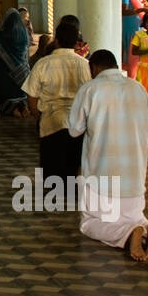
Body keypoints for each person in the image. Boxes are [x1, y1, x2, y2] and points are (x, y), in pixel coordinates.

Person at [66, 50, 148, 261]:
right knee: (133, 216)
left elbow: (74, 130)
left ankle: (128, 235)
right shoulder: (138, 88)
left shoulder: (90, 89)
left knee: (89, 222)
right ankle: (146, 227)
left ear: (94, 68)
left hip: (102, 178)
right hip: (135, 179)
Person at [23, 19, 91, 194]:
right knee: (74, 158)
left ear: (57, 40)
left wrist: (36, 115)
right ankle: (72, 190)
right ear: (76, 42)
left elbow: (31, 94)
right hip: (77, 121)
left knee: (52, 161)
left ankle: (53, 193)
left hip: (50, 120)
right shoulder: (84, 64)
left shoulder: (44, 63)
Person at [0, 8, 31, 116]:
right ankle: (23, 108)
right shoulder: (24, 35)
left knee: (5, 95)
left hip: (3, 75)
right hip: (21, 74)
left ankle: (12, 110)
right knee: (20, 94)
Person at [121, 0, 148, 77]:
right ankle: (129, 76)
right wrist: (139, 10)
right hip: (129, 25)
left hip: (135, 24)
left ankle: (133, 75)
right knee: (130, 52)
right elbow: (123, 11)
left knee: (134, 53)